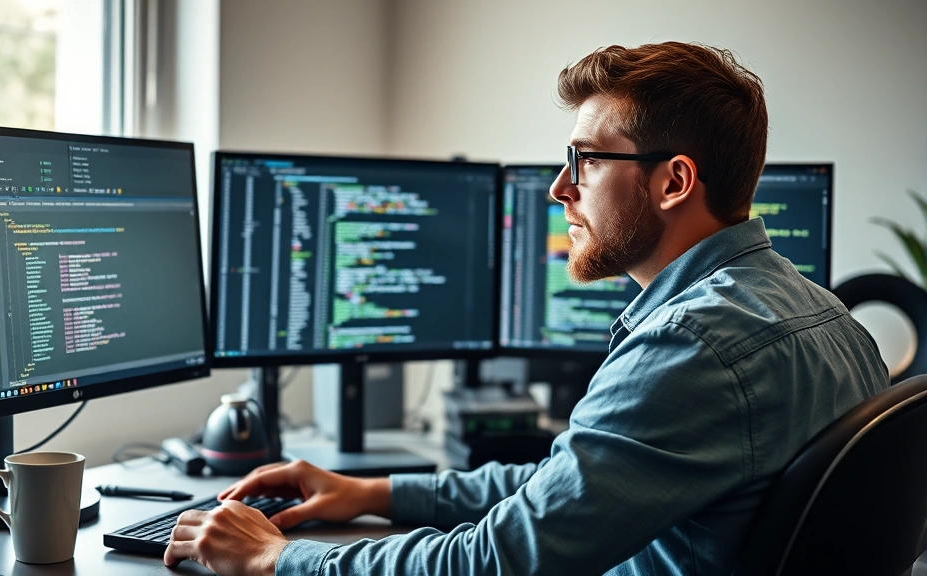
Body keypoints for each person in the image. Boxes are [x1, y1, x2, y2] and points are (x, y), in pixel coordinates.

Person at [164, 41, 889, 576]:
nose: (558, 189)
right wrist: (374, 491)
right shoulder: (826, 316)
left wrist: (276, 560)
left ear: (673, 182)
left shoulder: (690, 344)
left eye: (585, 160)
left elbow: (500, 560)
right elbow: (568, 487)